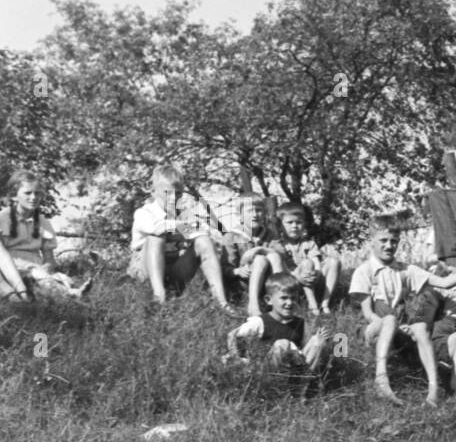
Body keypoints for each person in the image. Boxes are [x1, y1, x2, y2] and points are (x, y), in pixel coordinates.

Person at [348, 224, 456, 406]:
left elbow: (444, 282)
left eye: (393, 241)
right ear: (372, 243)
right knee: (390, 319)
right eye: (383, 241)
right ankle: (381, 379)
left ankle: (433, 390)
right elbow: (368, 314)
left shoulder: (404, 269)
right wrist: (389, 325)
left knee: (419, 328)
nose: (389, 245)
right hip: (371, 329)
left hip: (396, 327)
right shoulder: (364, 271)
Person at [129, 163, 230, 308]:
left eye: (177, 194)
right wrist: (182, 228)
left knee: (203, 241)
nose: (171, 199)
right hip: (145, 270)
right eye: (166, 193)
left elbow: (202, 231)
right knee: (156, 238)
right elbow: (157, 229)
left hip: (174, 269)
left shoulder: (183, 214)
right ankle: (159, 296)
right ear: (153, 191)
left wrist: (187, 229)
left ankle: (221, 302)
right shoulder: (144, 213)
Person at [0, 170, 92, 300]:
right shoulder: (3, 218)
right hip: (12, 268)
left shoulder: (43, 222)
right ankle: (71, 295)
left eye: (37, 193)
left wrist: (45, 268)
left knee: (60, 278)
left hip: (36, 266)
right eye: (28, 193)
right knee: (39, 279)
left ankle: (70, 294)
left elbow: (49, 258)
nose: (33, 197)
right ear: (14, 195)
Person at [224, 273, 334, 392]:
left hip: (295, 368)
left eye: (293, 298)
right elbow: (232, 335)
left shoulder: (301, 323)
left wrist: (320, 341)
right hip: (267, 369)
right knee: (283, 344)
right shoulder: (260, 322)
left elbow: (305, 351)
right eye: (284, 298)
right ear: (269, 300)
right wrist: (237, 358)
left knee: (318, 340)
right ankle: (271, 387)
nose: (289, 302)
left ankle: (302, 388)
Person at [244, 202, 339, 318]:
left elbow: (316, 263)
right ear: (280, 226)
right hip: (290, 282)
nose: (294, 226)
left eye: (298, 222)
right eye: (290, 223)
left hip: (311, 280)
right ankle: (312, 306)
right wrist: (297, 276)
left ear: (304, 225)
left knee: (333, 262)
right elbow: (279, 267)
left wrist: (314, 274)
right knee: (306, 262)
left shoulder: (310, 244)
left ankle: (325, 304)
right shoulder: (278, 244)